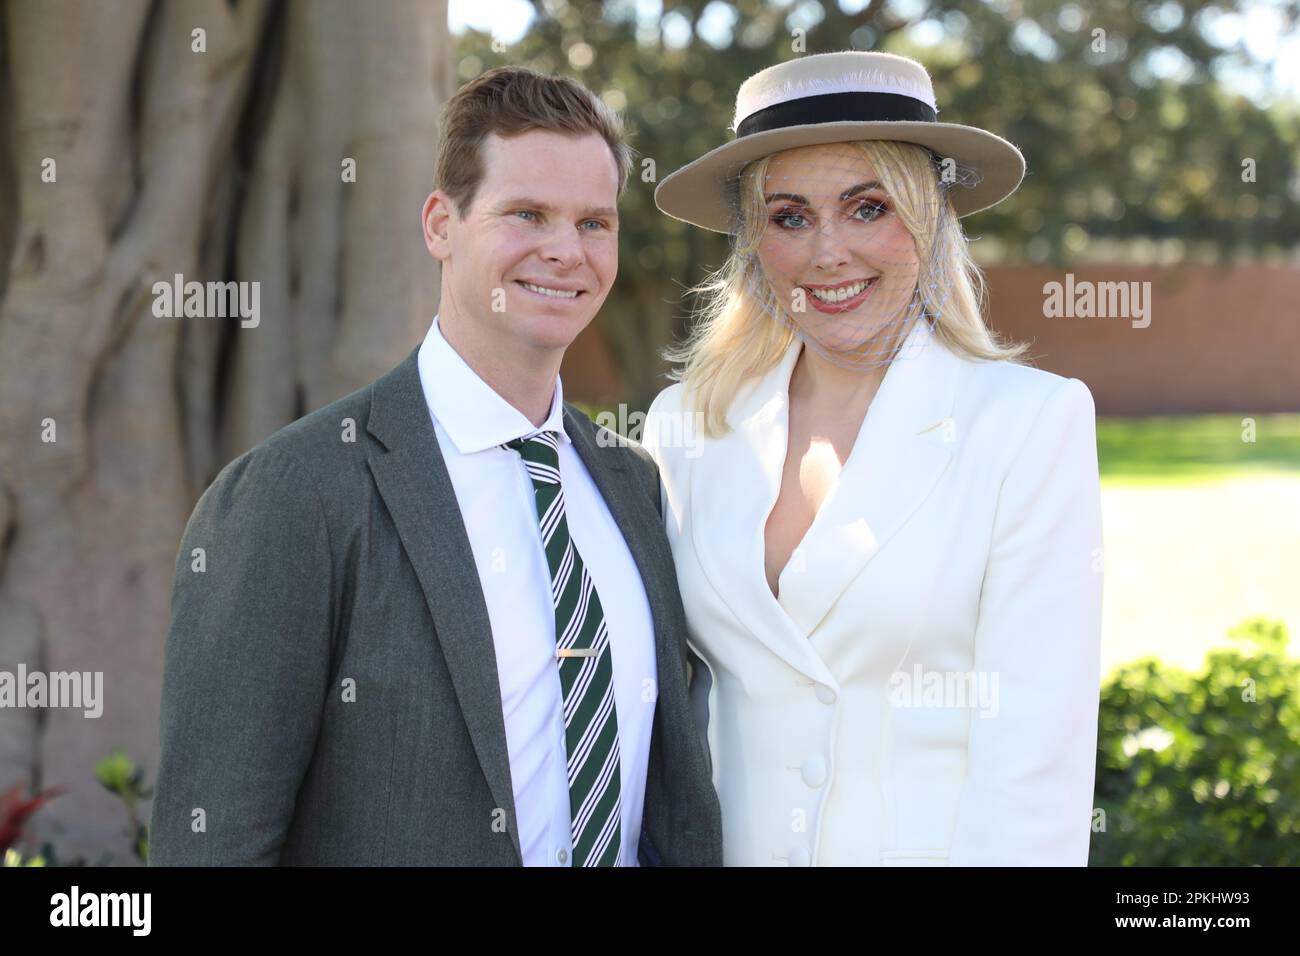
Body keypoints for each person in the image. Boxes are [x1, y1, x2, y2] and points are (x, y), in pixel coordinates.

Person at [150, 66, 721, 866]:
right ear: (440, 224)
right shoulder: (295, 493)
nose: (565, 251)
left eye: (594, 223)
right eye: (527, 214)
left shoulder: (634, 485)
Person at [643, 50, 1103, 866]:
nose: (828, 253)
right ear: (753, 241)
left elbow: (1035, 761)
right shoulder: (685, 427)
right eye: (789, 217)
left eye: (867, 208)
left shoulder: (1029, 423)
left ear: (929, 219)